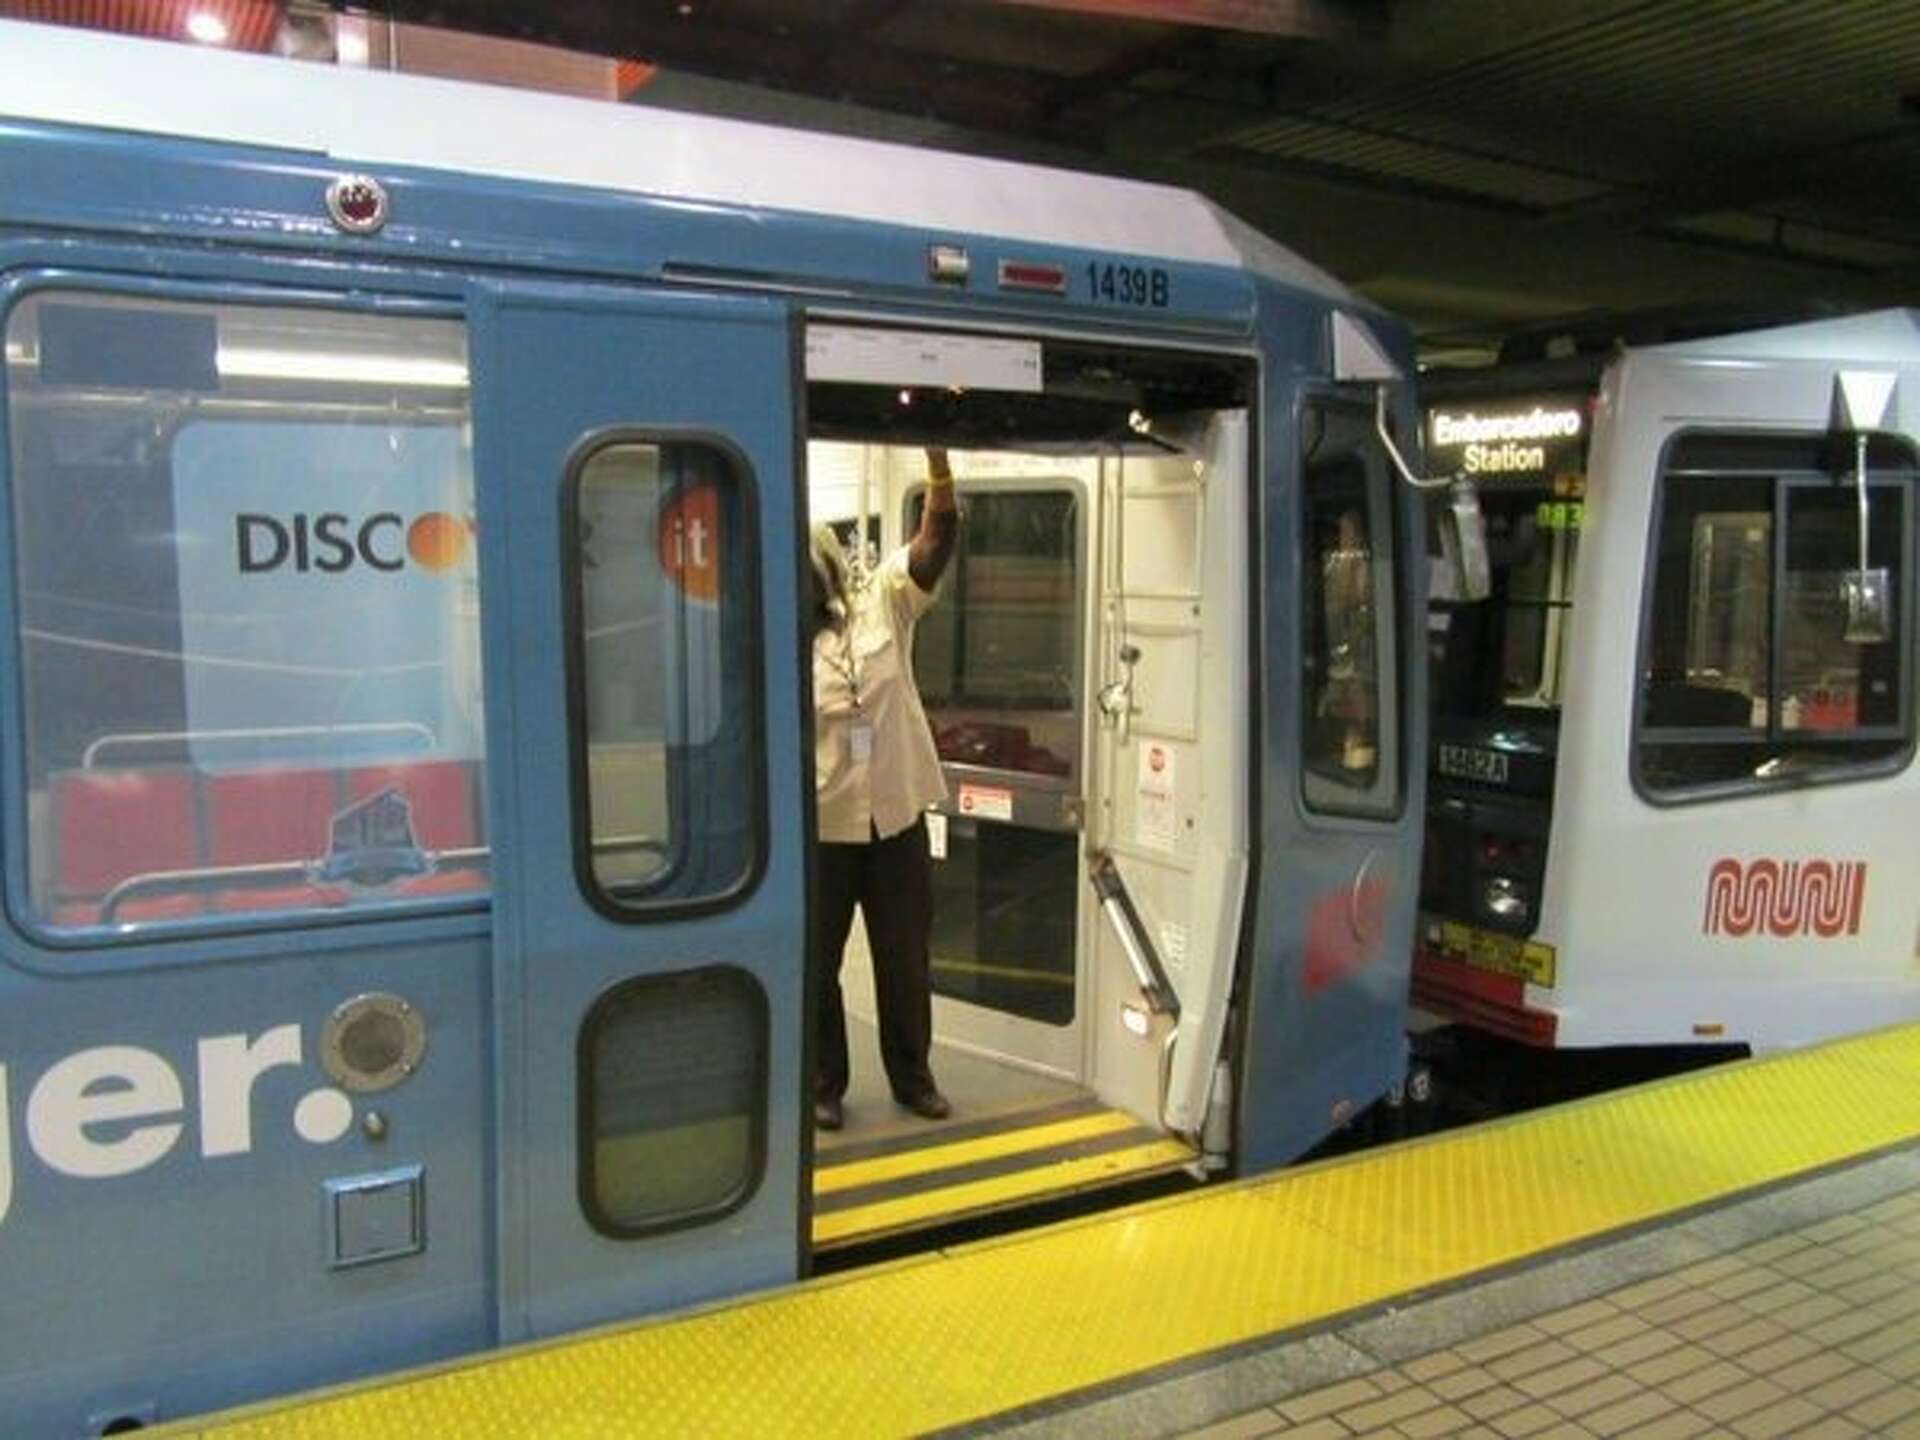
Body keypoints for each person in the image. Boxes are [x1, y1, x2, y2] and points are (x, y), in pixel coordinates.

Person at [810, 447, 959, 1131]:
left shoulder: (885, 602)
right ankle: (823, 1084)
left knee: (905, 957)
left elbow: (934, 546)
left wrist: (938, 469)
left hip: (895, 814)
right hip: (824, 825)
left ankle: (913, 1077)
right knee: (817, 963)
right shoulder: (784, 638)